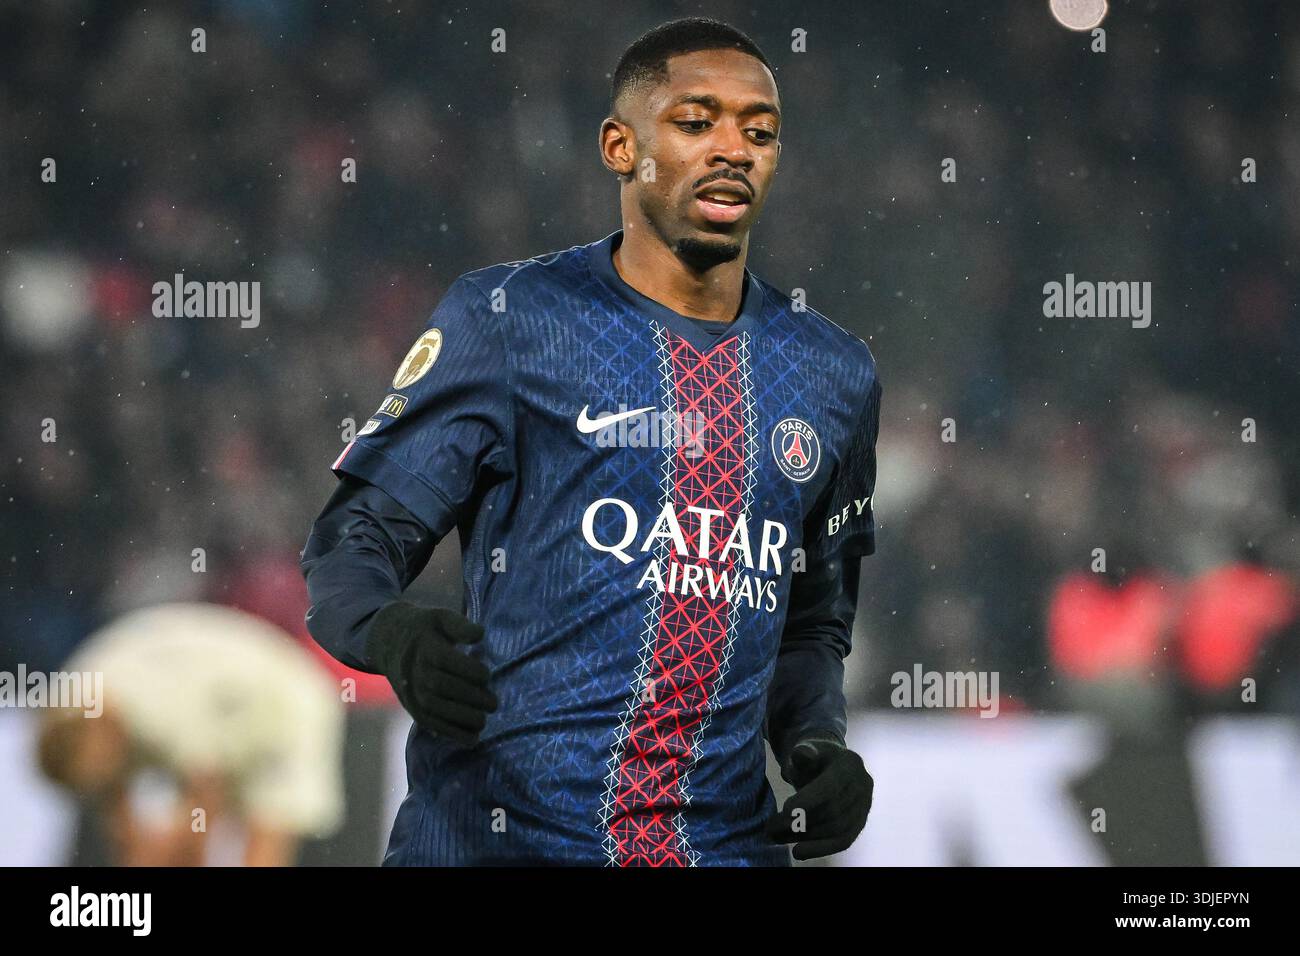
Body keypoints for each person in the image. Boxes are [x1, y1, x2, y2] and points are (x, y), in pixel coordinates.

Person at [301, 17, 880, 866]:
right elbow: (350, 544)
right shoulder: (509, 320)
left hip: (722, 849)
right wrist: (391, 635)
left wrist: (819, 743)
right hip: (494, 846)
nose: (733, 149)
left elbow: (812, 623)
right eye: (695, 122)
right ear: (620, 146)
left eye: (759, 131)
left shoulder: (835, 373)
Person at [38, 602, 345, 866]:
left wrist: (168, 846)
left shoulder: (159, 713)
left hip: (284, 698)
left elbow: (202, 808)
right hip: (222, 699)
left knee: (267, 828)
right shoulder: (79, 711)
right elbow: (119, 812)